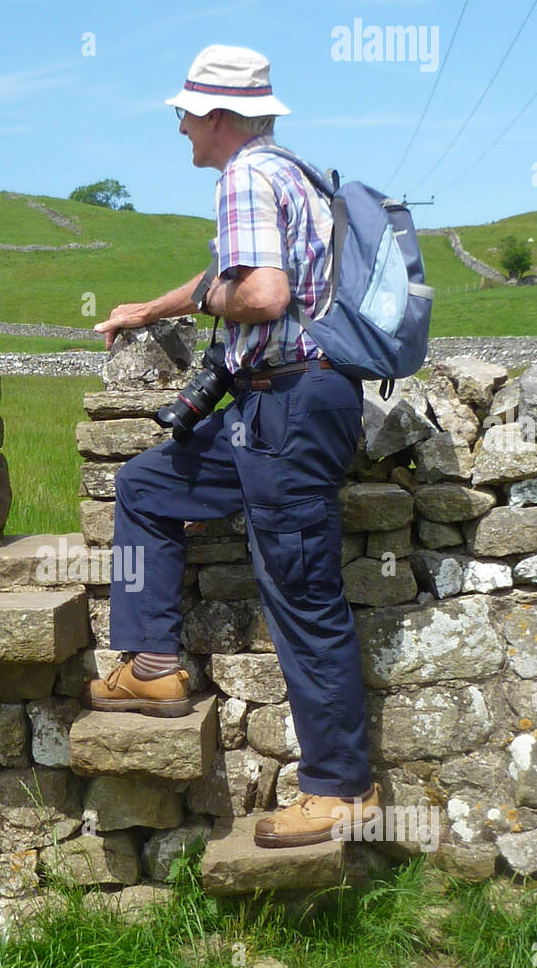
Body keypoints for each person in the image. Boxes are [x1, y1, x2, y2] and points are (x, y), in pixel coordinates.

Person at [82, 44, 380, 849]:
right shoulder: (289, 171)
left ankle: (341, 789)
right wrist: (151, 308)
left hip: (285, 404)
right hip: (275, 405)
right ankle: (153, 667)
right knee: (147, 484)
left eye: (184, 113)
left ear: (217, 116)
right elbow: (229, 270)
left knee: (301, 590)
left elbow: (259, 290)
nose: (179, 127)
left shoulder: (244, 177)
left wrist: (213, 294)